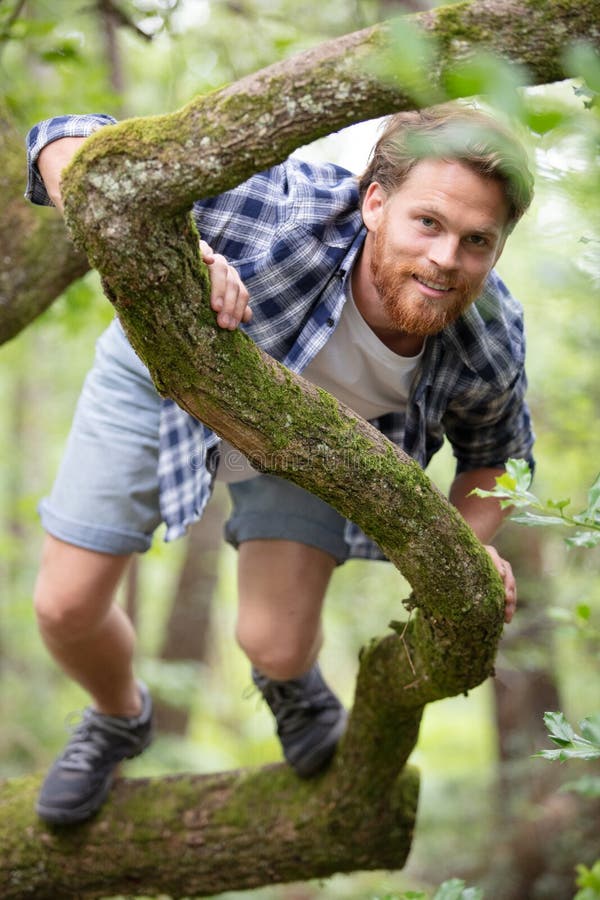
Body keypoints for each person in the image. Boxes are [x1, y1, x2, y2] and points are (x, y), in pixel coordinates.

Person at [25, 103, 534, 825]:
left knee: (274, 640)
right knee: (66, 608)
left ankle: (292, 686)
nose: (447, 259)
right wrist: (181, 259)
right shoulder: (279, 207)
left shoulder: (491, 334)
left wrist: (468, 552)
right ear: (375, 202)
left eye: (476, 240)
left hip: (321, 443)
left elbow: (499, 459)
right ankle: (116, 717)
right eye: (429, 223)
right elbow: (63, 137)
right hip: (160, 380)